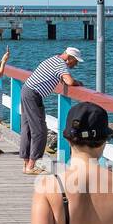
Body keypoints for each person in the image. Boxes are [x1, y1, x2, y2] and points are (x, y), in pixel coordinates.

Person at [20, 47, 83, 175]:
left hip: (27, 91)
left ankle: (26, 164)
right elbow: (69, 81)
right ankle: (31, 165)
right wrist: (78, 83)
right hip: (33, 95)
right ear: (69, 57)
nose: (75, 65)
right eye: (75, 62)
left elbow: (57, 77)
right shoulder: (60, 64)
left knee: (27, 129)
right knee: (40, 131)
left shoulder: (53, 59)